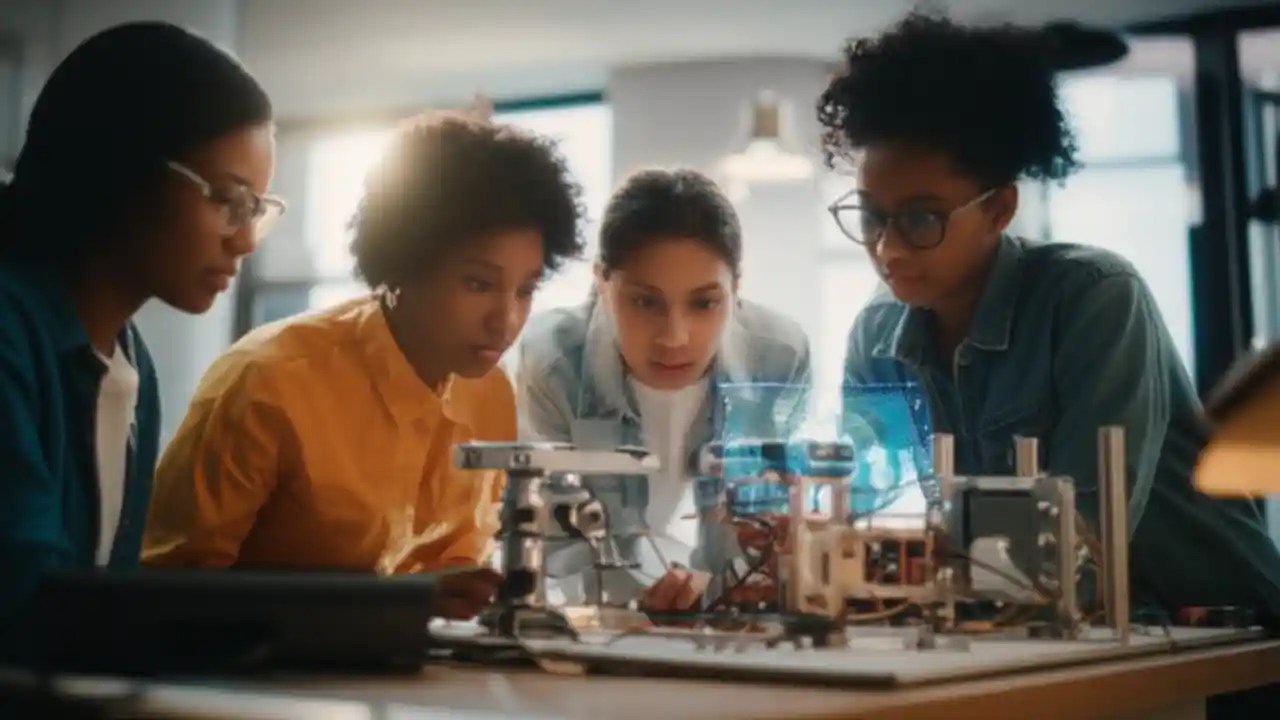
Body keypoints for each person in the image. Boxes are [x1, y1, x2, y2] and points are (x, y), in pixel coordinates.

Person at [822, 14, 1280, 624]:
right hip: (1049, 632)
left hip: (1222, 635)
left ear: (999, 208)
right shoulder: (875, 335)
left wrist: (916, 577)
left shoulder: (1093, 298)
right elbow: (864, 513)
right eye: (873, 217)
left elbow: (1078, 544)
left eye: (922, 218)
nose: (889, 250)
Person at [142, 113, 584, 618]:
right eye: (479, 284)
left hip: (407, 678)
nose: (506, 320)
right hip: (257, 683)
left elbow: (453, 570)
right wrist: (385, 602)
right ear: (403, 264)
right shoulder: (269, 379)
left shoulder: (489, 393)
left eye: (526, 290)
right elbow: (169, 591)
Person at [0, 22, 278, 659]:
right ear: (121, 162)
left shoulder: (132, 367)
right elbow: (24, 601)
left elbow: (101, 608)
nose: (244, 240)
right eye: (228, 200)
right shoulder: (12, 332)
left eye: (257, 209)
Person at [517, 168, 810, 611]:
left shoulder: (778, 358)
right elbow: (553, 544)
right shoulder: (555, 363)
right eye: (645, 302)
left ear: (737, 289)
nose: (674, 337)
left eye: (704, 303)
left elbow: (761, 529)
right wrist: (638, 599)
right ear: (601, 283)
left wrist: (727, 588)